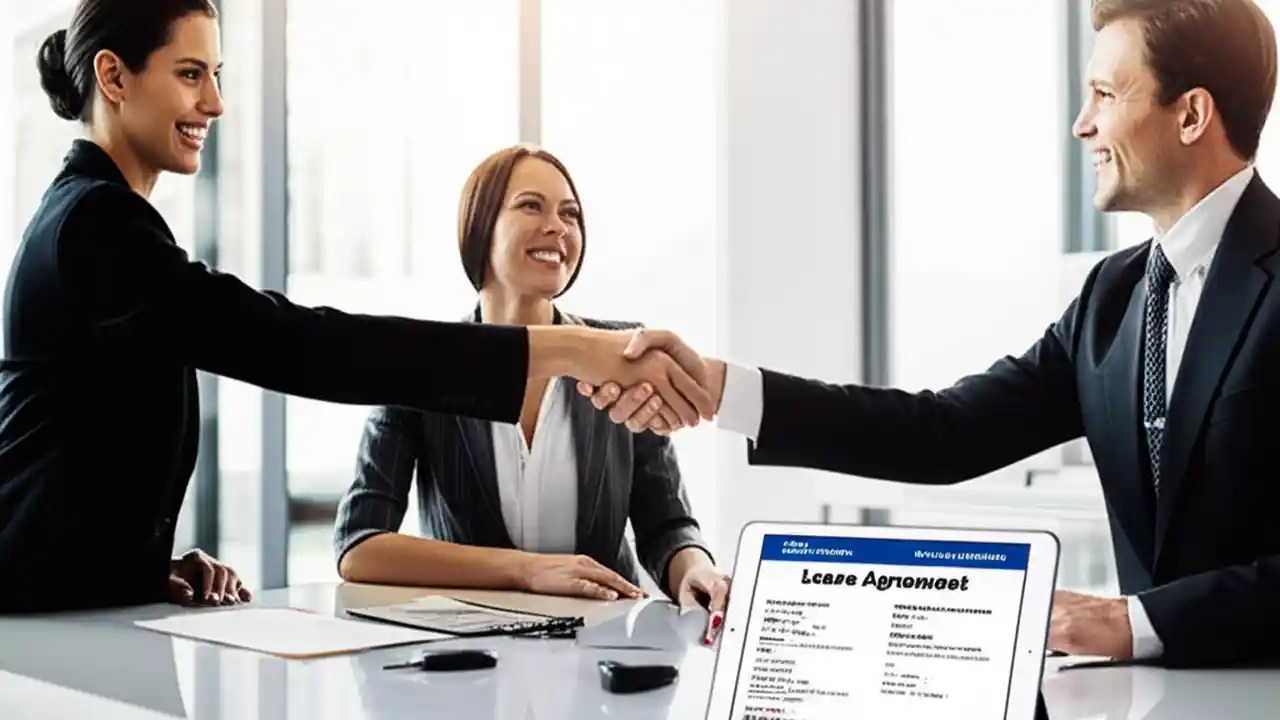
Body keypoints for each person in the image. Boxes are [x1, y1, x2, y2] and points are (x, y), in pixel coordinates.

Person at [587, 0, 1280, 667]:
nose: (1081, 124)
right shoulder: (1114, 296)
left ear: (1191, 114)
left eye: (1104, 94)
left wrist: (1133, 622)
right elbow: (943, 431)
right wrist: (717, 390)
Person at [0, 0, 713, 613]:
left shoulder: (99, 220)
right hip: (36, 613)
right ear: (114, 77)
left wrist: (142, 566)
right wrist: (571, 349)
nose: (214, 103)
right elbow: (295, 343)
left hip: (73, 600)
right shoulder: (95, 226)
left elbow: (87, 439)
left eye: (216, 76)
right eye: (191, 74)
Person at [333, 146, 731, 644]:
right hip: (473, 658)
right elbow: (360, 546)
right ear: (481, 225)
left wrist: (695, 568)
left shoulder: (623, 355)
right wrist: (525, 571)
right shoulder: (423, 361)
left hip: (607, 652)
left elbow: (667, 525)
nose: (557, 227)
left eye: (570, 214)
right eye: (531, 206)